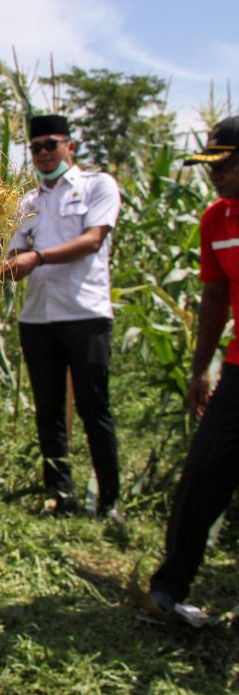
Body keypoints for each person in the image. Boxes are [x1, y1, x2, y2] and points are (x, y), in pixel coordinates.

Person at [1, 114, 123, 520]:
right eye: (35, 147)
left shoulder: (97, 186)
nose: (43, 154)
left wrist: (37, 258)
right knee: (48, 410)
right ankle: (60, 493)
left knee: (94, 407)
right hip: (37, 318)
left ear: (70, 146)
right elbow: (16, 256)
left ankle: (109, 499)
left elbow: (93, 240)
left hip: (84, 313)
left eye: (50, 145)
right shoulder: (27, 203)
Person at [144, 116, 239, 619]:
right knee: (202, 473)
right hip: (237, 369)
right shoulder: (216, 220)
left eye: (224, 165)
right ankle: (168, 589)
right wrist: (201, 368)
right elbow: (215, 298)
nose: (213, 175)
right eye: (209, 166)